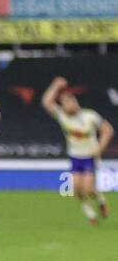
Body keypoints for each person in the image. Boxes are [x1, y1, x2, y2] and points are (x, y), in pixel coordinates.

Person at [42, 76, 112, 225]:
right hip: (75, 157)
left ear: (75, 102)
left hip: (89, 156)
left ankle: (101, 200)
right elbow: (46, 102)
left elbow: (107, 130)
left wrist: (100, 147)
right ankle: (91, 215)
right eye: (64, 103)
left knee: (88, 189)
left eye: (70, 101)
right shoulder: (63, 116)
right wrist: (55, 86)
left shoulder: (89, 116)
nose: (68, 105)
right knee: (76, 190)